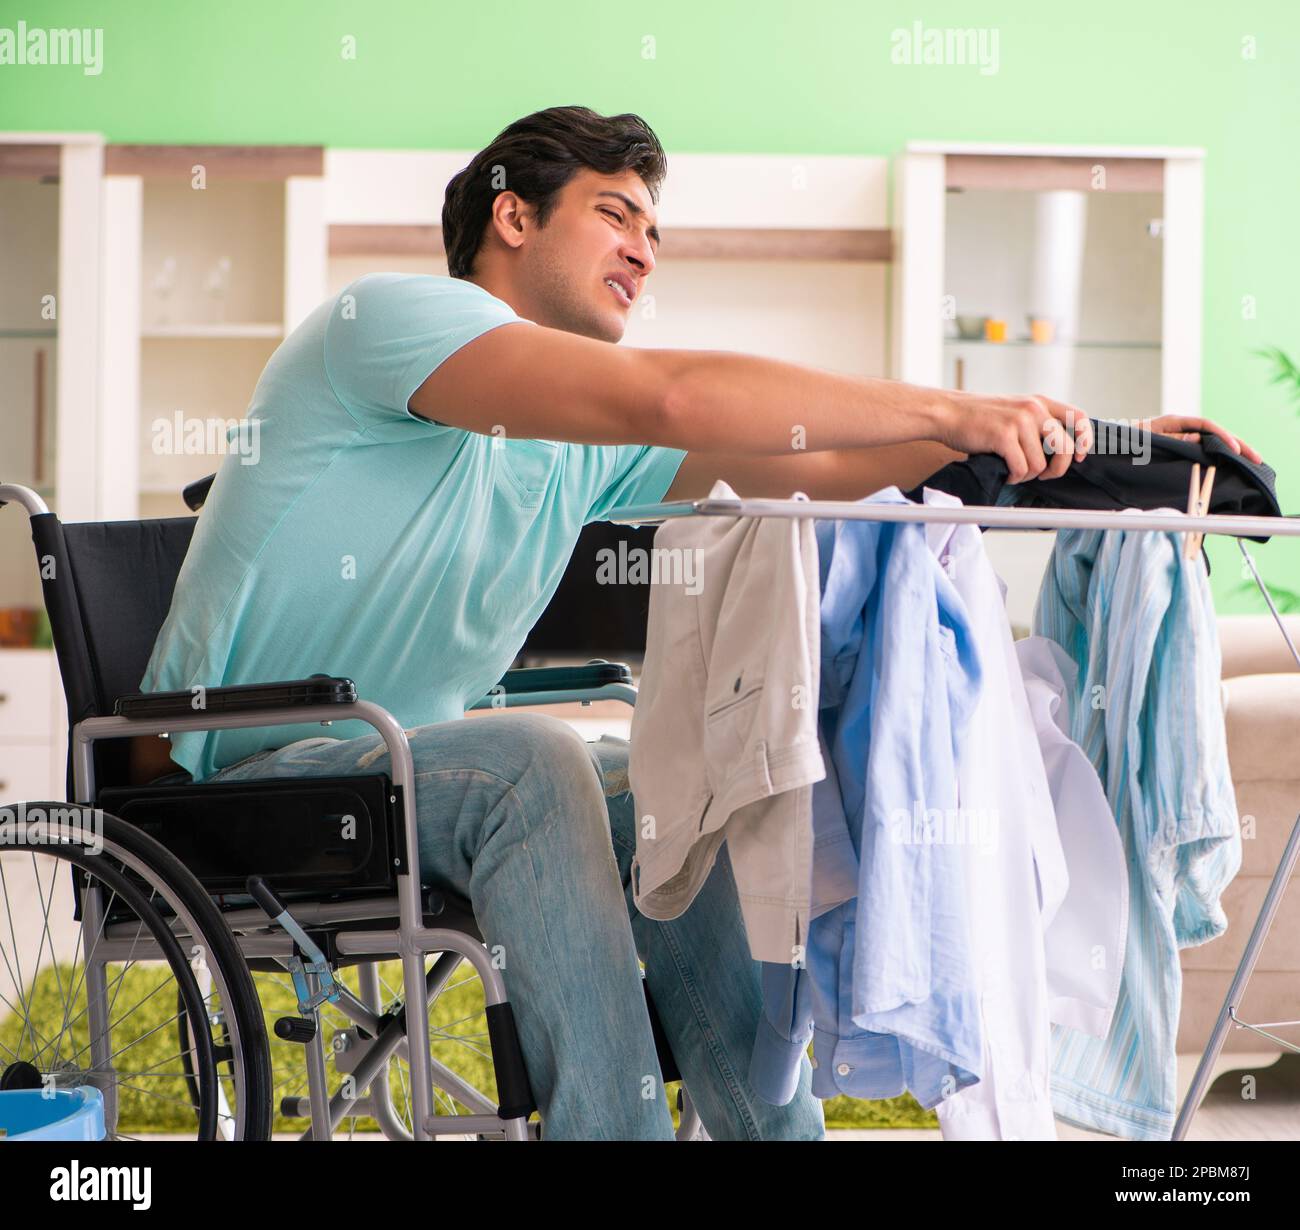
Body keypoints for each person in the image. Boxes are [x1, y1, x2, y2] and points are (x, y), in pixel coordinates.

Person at [132, 105, 1259, 1139]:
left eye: (655, 232)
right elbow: (667, 394)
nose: (642, 250)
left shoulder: (569, 440)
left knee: (667, 779)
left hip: (390, 780)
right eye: (614, 214)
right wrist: (954, 403)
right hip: (246, 783)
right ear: (510, 216)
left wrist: (1089, 441)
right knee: (538, 762)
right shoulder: (388, 321)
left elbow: (818, 463)